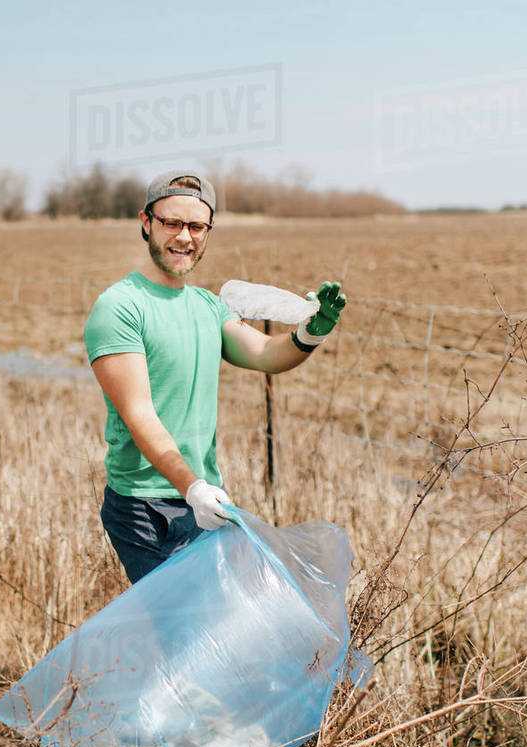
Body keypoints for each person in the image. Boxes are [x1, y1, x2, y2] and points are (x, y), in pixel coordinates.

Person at [83, 169, 346, 583]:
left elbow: (264, 354)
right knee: (184, 636)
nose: (184, 237)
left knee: (206, 634)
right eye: (171, 222)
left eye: (196, 226)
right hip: (146, 507)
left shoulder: (208, 307)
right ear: (146, 222)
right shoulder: (119, 307)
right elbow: (139, 414)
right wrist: (192, 487)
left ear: (208, 232)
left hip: (204, 501)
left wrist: (309, 333)